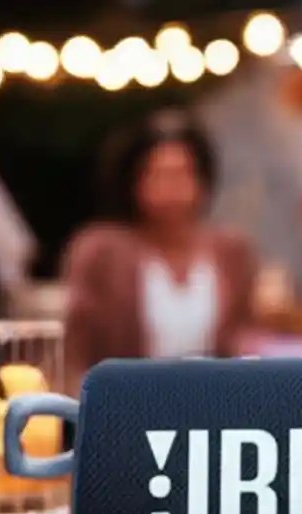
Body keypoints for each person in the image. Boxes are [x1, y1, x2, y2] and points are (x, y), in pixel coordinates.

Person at [62, 109, 258, 392]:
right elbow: (75, 353)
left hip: (212, 409)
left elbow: (245, 341)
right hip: (126, 407)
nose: (172, 189)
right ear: (133, 181)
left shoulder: (232, 251)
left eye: (182, 174)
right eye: (158, 175)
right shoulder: (100, 252)